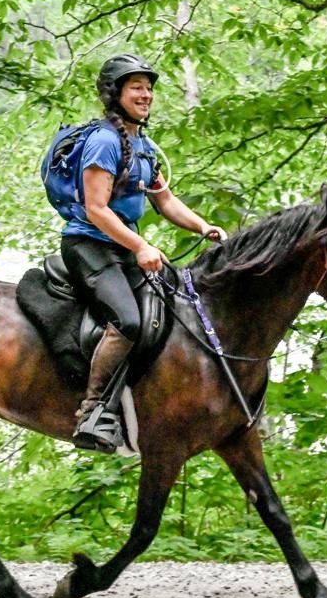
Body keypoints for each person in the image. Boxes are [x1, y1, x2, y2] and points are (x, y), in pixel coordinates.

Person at [59, 52, 227, 453]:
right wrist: (140, 245)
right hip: (89, 246)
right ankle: (93, 411)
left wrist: (203, 226)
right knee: (129, 322)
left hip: (121, 247)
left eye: (149, 88)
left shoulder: (144, 145)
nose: (146, 95)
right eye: (136, 87)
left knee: (175, 308)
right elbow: (96, 209)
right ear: (114, 93)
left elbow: (165, 200)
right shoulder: (103, 142)